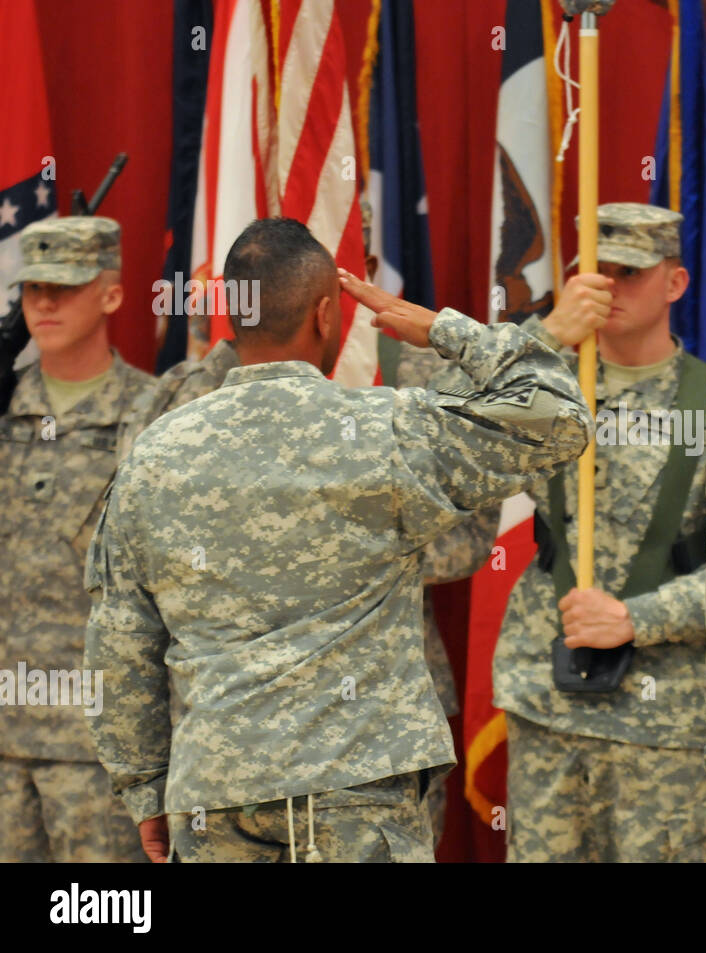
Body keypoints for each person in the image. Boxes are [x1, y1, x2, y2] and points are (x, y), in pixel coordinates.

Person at [84, 217, 592, 862]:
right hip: (359, 798)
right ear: (327, 314)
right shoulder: (385, 433)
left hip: (215, 797)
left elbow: (120, 643)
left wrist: (145, 787)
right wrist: (442, 329)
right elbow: (560, 416)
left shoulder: (153, 456)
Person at [492, 202, 706, 862]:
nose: (608, 288)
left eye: (629, 272)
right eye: (595, 272)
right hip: (549, 704)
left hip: (666, 721)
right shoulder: (544, 389)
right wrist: (544, 333)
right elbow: (447, 432)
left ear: (676, 282)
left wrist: (641, 616)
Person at [0, 217, 153, 862]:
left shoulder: (151, 416)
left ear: (112, 295)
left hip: (98, 743)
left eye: (65, 286)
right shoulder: (5, 407)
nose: (46, 303)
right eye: (34, 287)